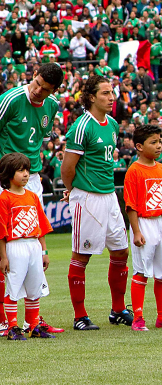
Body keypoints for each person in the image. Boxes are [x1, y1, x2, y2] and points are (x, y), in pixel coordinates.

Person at [0, 62, 62, 337]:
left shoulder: (51, 106)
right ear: (33, 76)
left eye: (45, 89)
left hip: (33, 176)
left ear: (54, 91)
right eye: (37, 83)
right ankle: (2, 320)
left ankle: (31, 320)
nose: (38, 91)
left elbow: (38, 139)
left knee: (33, 241)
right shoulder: (10, 100)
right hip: (3, 174)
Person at [61, 74, 132, 331]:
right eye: (105, 93)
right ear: (91, 97)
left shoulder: (111, 123)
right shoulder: (82, 125)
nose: (111, 97)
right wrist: (74, 191)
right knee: (82, 256)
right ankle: (80, 316)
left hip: (109, 195)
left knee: (121, 251)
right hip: (88, 197)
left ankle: (118, 309)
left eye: (111, 92)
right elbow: (67, 168)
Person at [0, 153, 54, 340]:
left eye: (27, 170)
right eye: (20, 171)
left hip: (33, 245)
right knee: (13, 286)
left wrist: (44, 251)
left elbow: (41, 227)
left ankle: (33, 325)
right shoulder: (4, 198)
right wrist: (3, 256)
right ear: (8, 174)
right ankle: (12, 326)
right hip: (15, 245)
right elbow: (1, 232)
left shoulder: (33, 197)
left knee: (34, 287)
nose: (26, 174)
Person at [125, 124, 162, 331]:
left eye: (160, 141)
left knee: (161, 273)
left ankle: (161, 316)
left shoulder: (160, 168)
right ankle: (138, 318)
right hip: (144, 223)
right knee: (141, 272)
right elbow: (131, 205)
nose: (158, 146)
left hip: (160, 221)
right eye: (153, 142)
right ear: (139, 146)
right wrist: (136, 231)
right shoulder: (134, 171)